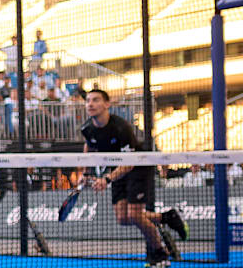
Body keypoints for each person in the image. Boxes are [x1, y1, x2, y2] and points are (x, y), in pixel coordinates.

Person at [80, 89, 187, 267]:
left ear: (107, 104)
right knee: (123, 218)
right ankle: (166, 217)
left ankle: (160, 254)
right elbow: (89, 146)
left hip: (137, 168)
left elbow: (129, 164)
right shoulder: (87, 129)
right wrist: (85, 173)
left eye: (96, 100)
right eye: (88, 100)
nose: (90, 104)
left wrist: (106, 180)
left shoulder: (121, 128)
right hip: (117, 170)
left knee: (135, 215)